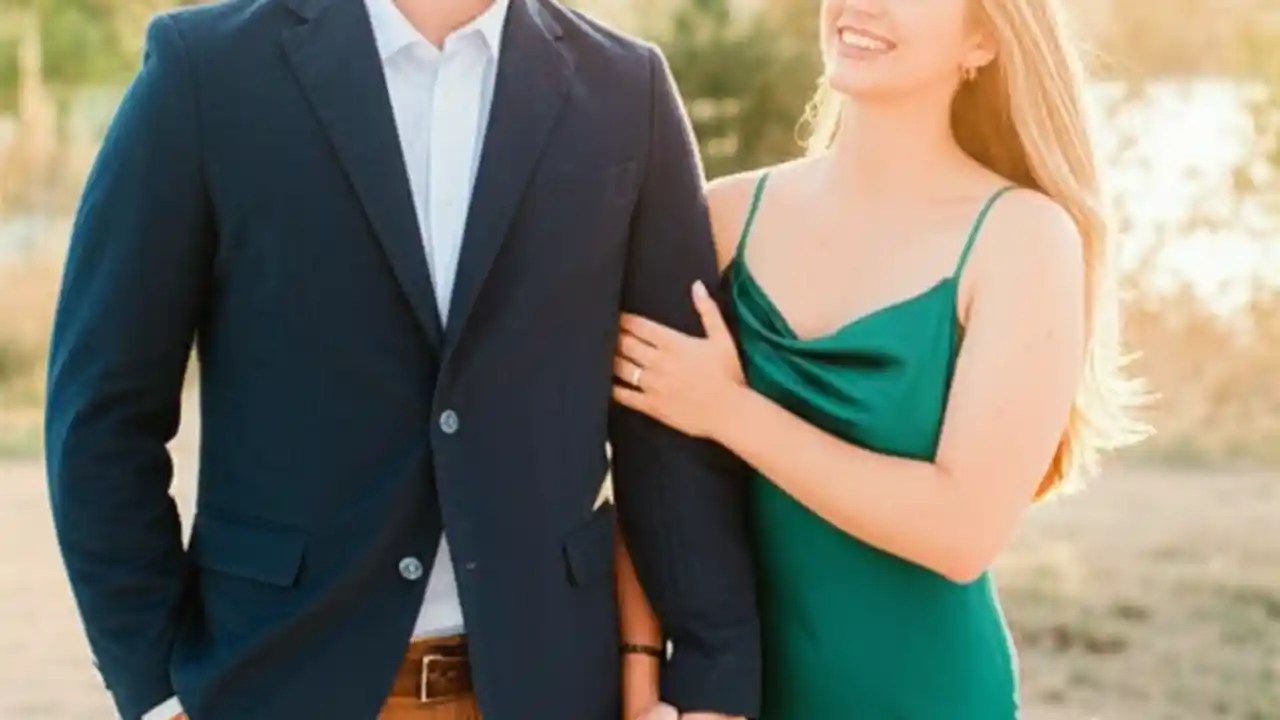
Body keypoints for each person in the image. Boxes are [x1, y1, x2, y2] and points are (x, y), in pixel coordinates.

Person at [45, 0, 760, 718]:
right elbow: (103, 412)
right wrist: (155, 690)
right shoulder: (205, 71)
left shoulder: (627, 92)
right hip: (277, 682)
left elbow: (665, 422)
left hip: (552, 688)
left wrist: (711, 676)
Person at [614, 0, 1149, 717]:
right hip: (729, 703)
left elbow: (961, 532)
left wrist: (730, 412)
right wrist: (643, 686)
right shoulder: (724, 216)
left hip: (922, 694)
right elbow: (649, 475)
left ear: (982, 39)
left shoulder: (1022, 238)